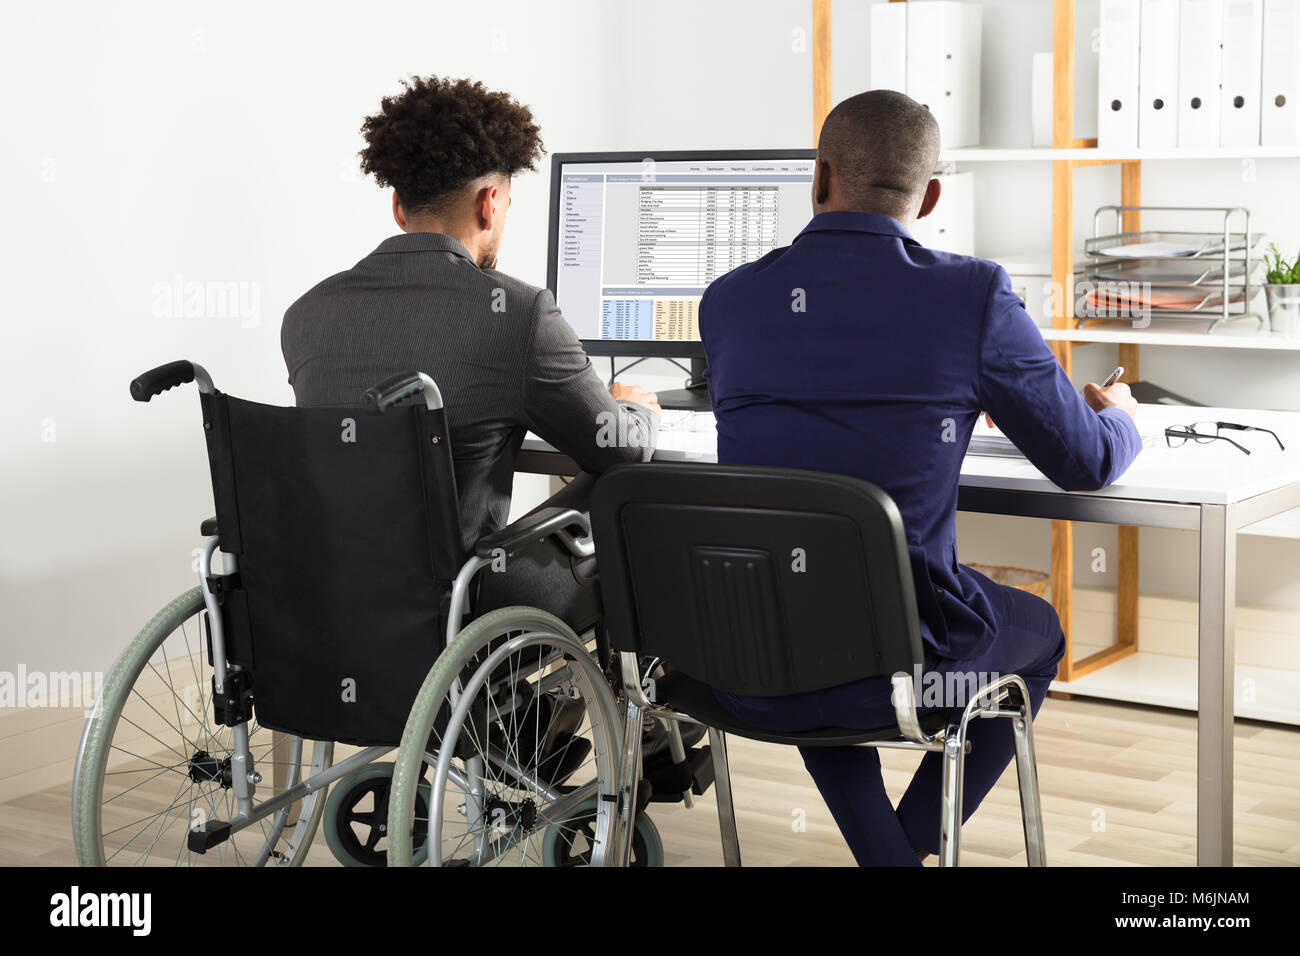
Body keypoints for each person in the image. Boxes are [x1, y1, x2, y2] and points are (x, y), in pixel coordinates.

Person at [699, 90, 1143, 865]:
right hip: (899, 663)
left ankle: (890, 855)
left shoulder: (728, 300)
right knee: (1038, 635)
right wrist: (1125, 416)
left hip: (746, 656)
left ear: (819, 177)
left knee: (812, 629)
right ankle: (904, 850)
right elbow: (1086, 462)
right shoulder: (971, 296)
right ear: (931, 196)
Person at [281, 75, 660, 633]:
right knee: (625, 488)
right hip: (455, 615)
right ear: (490, 203)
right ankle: (636, 704)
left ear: (397, 207)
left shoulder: (305, 315)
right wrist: (635, 411)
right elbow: (619, 451)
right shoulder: (519, 314)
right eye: (506, 202)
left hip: (331, 613)